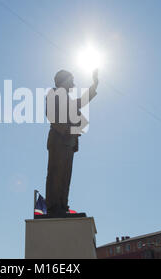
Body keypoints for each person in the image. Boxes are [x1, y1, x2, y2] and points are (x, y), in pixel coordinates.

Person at [44, 69, 98, 217]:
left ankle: (62, 205)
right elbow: (51, 115)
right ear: (63, 80)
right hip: (59, 141)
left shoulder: (67, 98)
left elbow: (80, 102)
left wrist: (94, 86)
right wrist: (68, 130)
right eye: (71, 79)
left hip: (69, 142)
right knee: (56, 174)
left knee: (66, 176)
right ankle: (54, 207)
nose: (73, 82)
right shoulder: (53, 93)